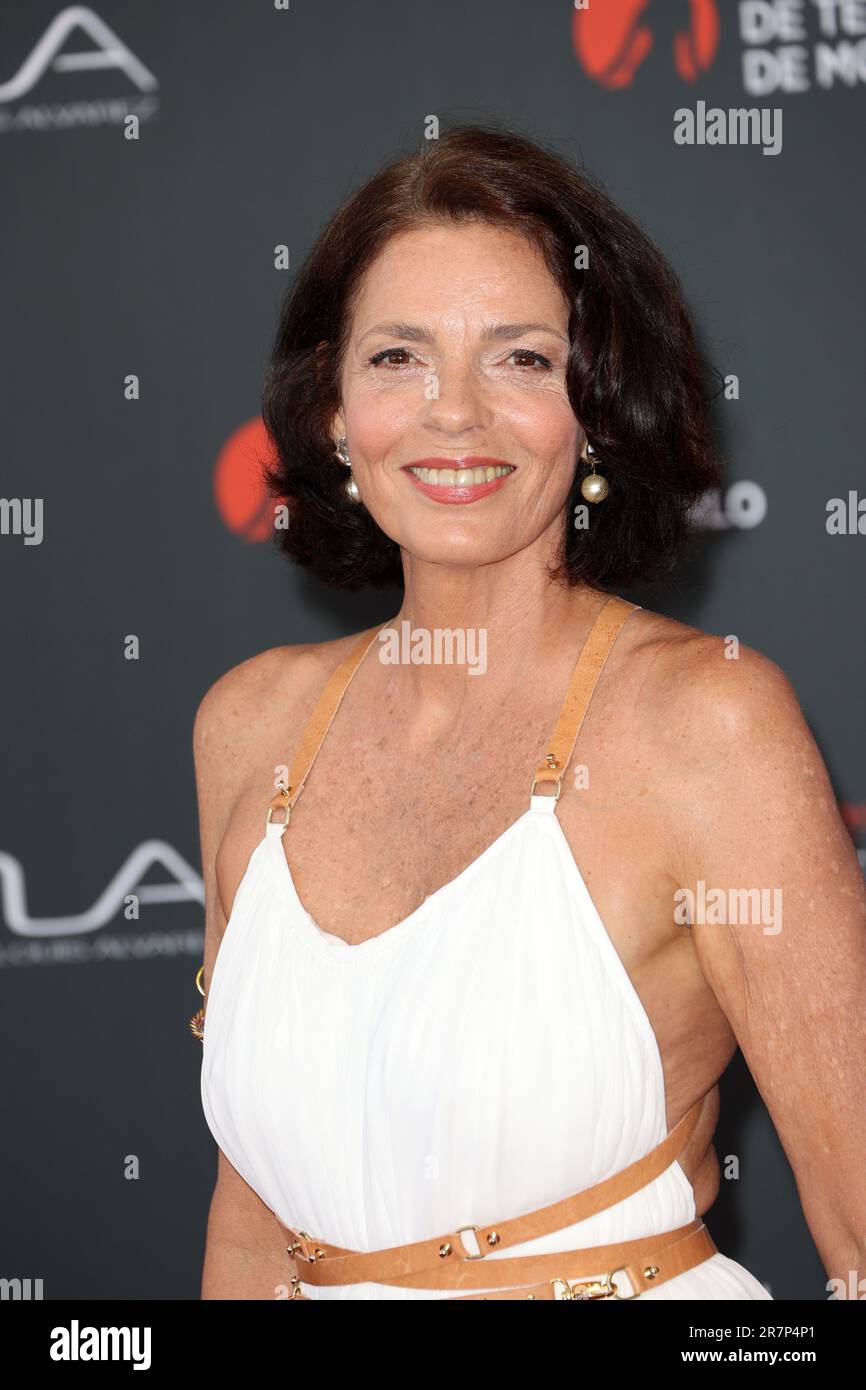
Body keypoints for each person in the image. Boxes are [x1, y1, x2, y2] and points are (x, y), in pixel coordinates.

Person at [194, 123, 866, 1300]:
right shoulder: (247, 725)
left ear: (595, 408)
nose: (453, 414)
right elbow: (257, 1212)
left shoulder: (705, 724)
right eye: (397, 357)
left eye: (519, 359)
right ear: (333, 412)